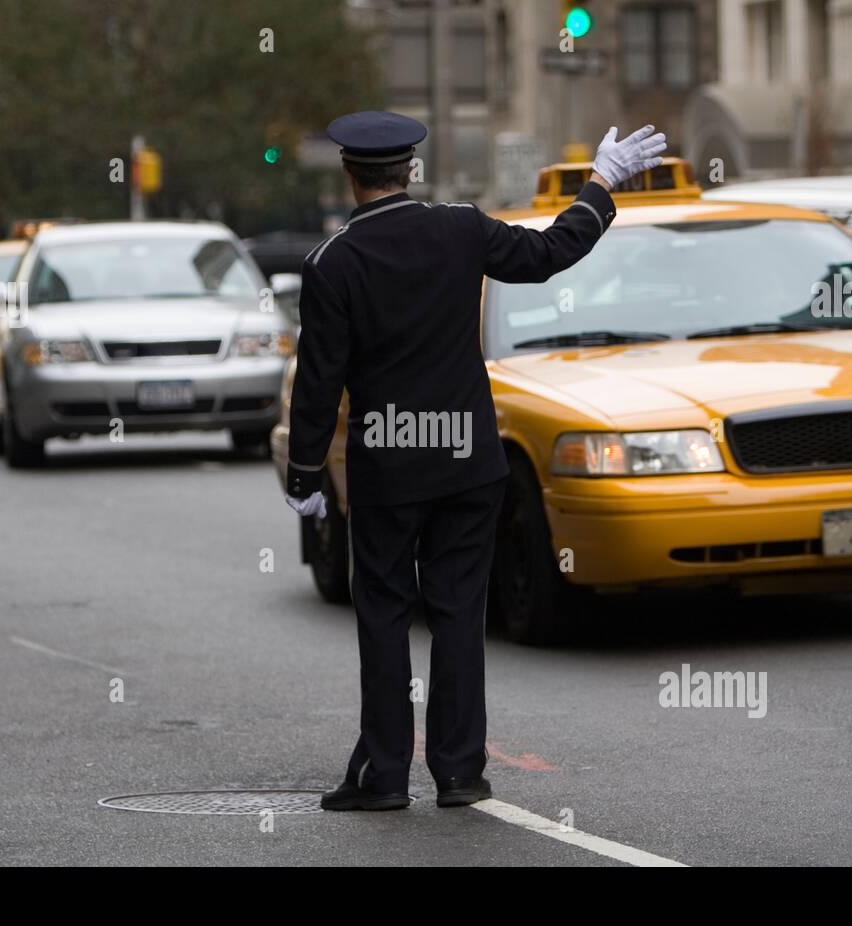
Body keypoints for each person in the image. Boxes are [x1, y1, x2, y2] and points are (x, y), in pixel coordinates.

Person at [285, 110, 666, 810]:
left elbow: (319, 380)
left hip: (390, 466)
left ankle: (385, 776)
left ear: (349, 174)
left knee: (385, 616)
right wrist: (601, 184)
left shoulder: (331, 263)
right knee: (459, 611)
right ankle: (459, 772)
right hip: (466, 459)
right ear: (411, 170)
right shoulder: (460, 229)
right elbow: (551, 252)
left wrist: (305, 475)